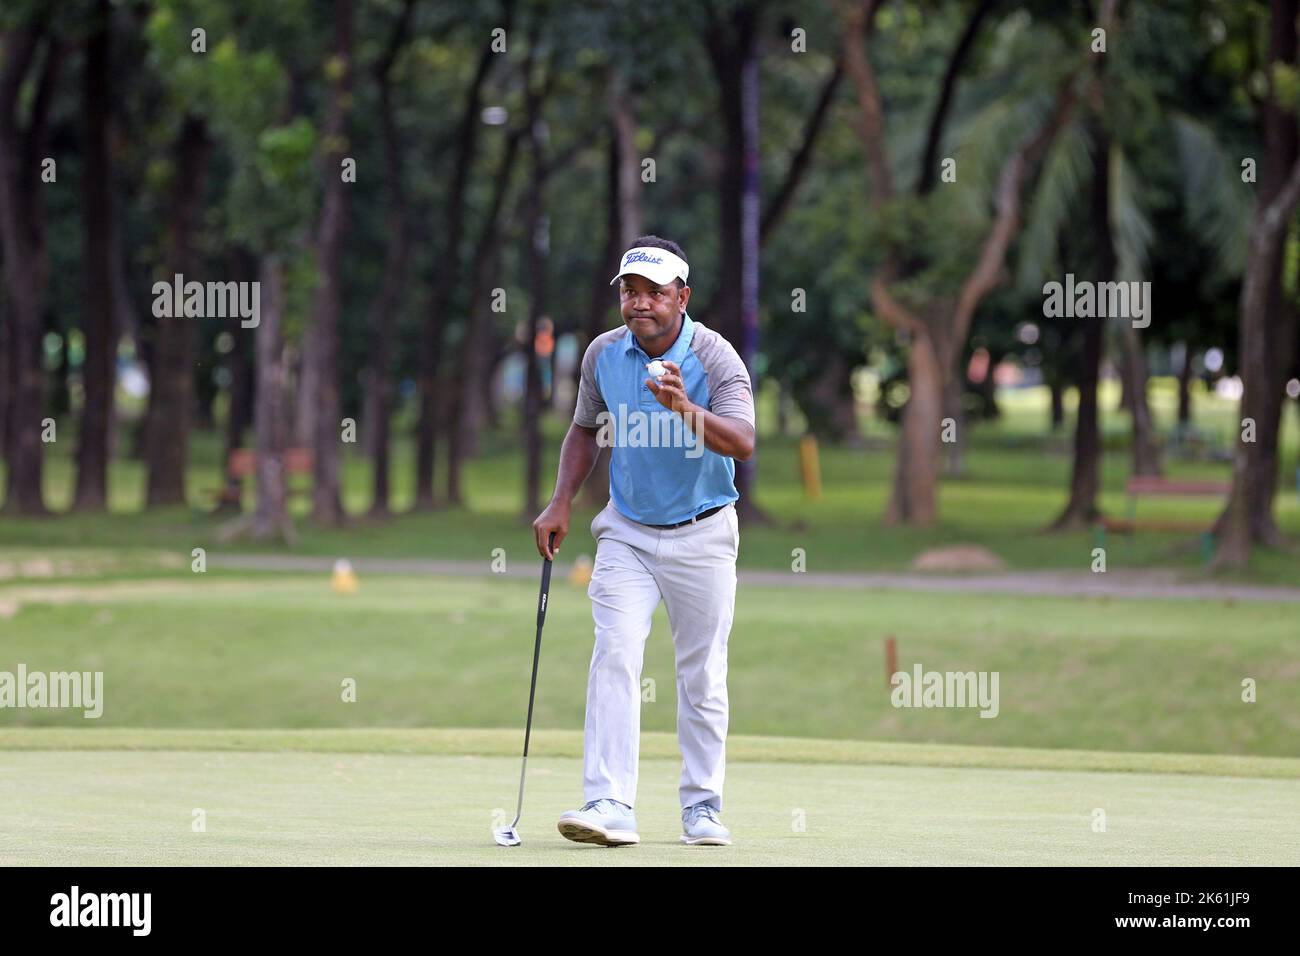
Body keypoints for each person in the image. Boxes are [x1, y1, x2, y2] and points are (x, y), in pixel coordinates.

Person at [531, 235, 756, 847]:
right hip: (626, 533)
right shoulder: (603, 353)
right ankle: (609, 804)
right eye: (631, 291)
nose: (640, 303)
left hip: (704, 531)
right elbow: (583, 430)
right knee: (616, 653)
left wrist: (684, 407)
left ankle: (702, 809)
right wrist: (560, 502)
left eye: (655, 293)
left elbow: (741, 442)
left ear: (682, 297)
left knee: (702, 675)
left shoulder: (716, 358)